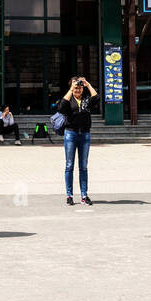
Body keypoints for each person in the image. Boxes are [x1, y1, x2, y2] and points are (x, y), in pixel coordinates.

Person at [59, 76, 98, 206]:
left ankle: (84, 195)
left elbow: (96, 97)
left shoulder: (86, 100)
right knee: (69, 165)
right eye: (76, 87)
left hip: (85, 135)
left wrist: (87, 83)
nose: (78, 89)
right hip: (71, 134)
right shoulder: (69, 100)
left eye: (79, 87)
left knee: (83, 167)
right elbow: (61, 107)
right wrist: (71, 88)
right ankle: (69, 195)